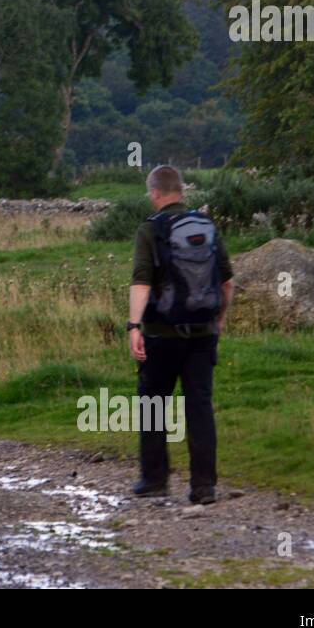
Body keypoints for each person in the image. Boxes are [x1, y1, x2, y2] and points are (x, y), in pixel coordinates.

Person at [127, 165, 234, 504]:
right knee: (199, 407)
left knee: (154, 403)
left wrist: (133, 326)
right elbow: (228, 282)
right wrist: (219, 319)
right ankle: (203, 487)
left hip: (162, 333)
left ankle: (155, 479)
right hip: (203, 333)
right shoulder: (207, 226)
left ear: (154, 193)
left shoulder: (151, 229)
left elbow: (141, 281)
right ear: (182, 192)